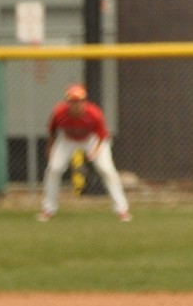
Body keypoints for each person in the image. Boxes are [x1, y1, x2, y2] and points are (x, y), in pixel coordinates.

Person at [38, 83, 131, 222]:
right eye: (73, 101)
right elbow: (52, 132)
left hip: (92, 139)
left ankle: (122, 209)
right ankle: (48, 209)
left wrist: (94, 152)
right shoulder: (59, 113)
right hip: (67, 139)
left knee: (106, 170)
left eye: (79, 101)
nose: (76, 105)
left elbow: (102, 137)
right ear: (68, 102)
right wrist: (50, 149)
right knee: (54, 169)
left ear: (84, 102)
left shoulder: (94, 113)